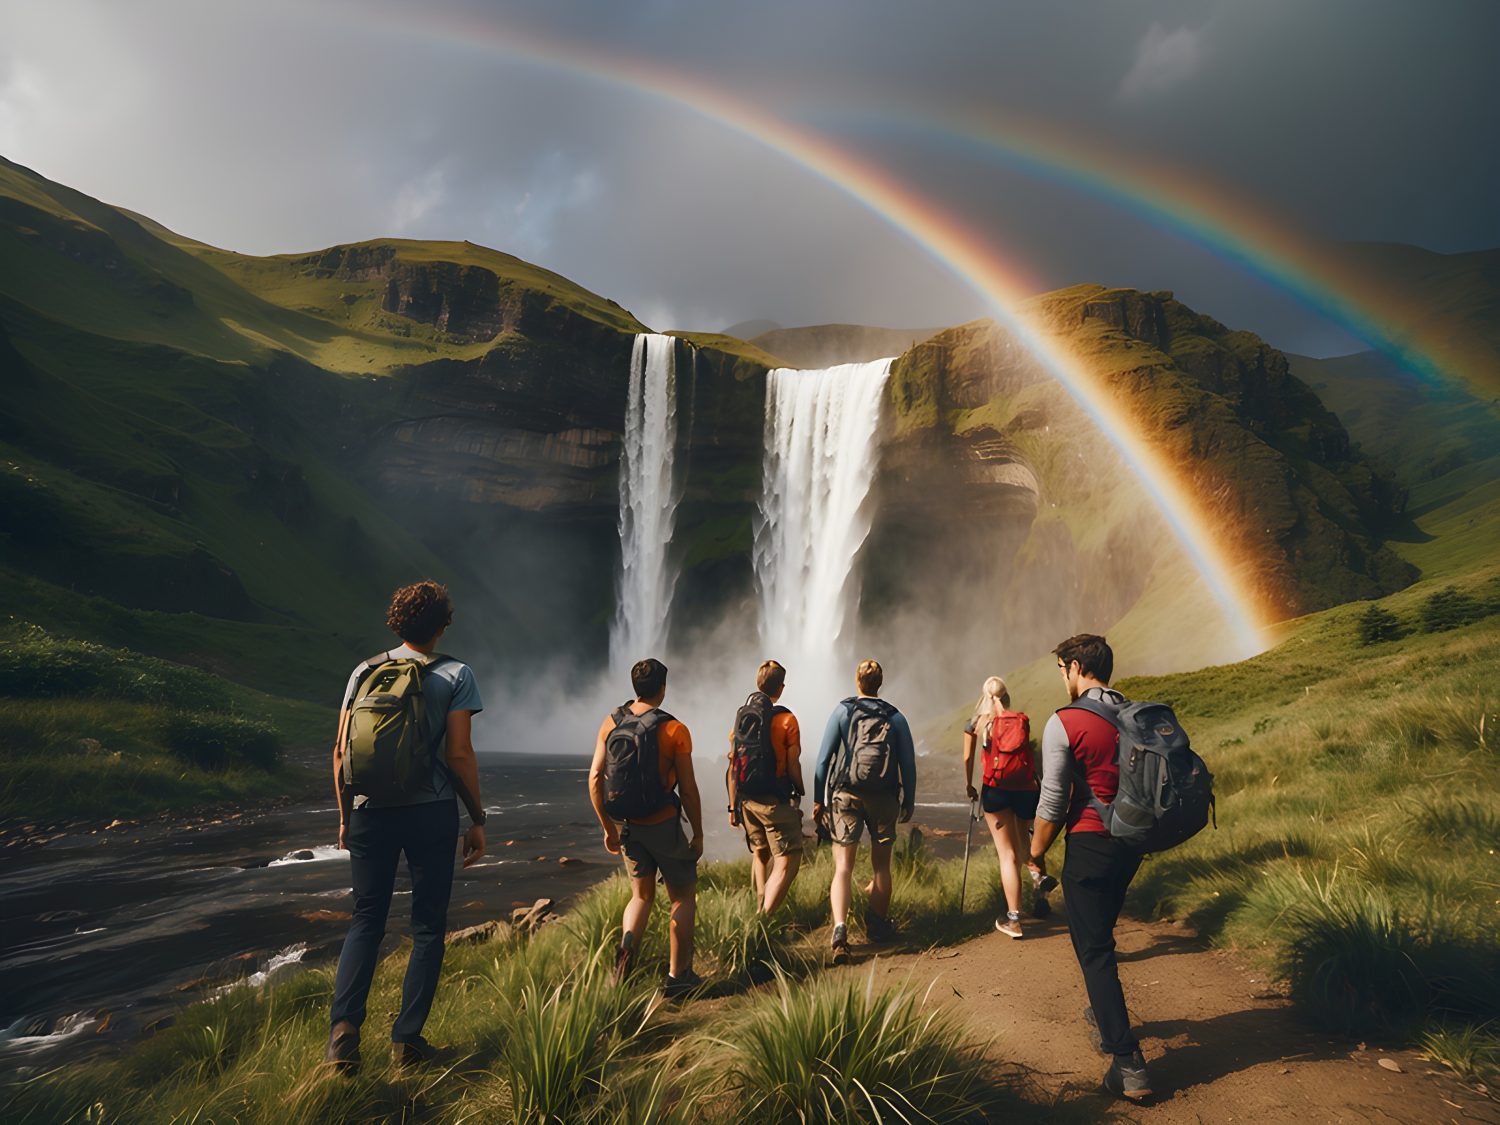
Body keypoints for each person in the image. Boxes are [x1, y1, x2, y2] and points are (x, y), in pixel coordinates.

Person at [326, 580, 487, 1074]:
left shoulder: (364, 670)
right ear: (443, 625)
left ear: (397, 622)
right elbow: (458, 753)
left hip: (370, 811)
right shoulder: (457, 674)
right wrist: (477, 818)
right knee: (427, 927)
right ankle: (407, 1040)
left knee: (366, 918)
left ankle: (343, 1031)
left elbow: (340, 750)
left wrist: (345, 816)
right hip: (430, 812)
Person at [1028, 634, 1152, 1102]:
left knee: (1094, 948)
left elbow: (1054, 800)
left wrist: (1035, 852)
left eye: (1062, 668)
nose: (1061, 677)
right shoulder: (1134, 714)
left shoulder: (1066, 721)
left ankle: (1127, 1062)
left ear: (1077, 667)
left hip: (1090, 842)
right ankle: (1105, 1017)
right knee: (1097, 933)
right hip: (1132, 845)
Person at [588, 657, 704, 997]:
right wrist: (697, 833)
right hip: (664, 825)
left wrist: (608, 827)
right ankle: (678, 976)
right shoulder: (674, 729)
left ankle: (624, 959)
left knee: (640, 896)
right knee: (682, 896)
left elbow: (595, 778)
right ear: (663, 689)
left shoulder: (611, 722)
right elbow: (688, 788)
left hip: (628, 826)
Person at [812, 659, 916, 963]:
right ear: (880, 683)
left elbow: (823, 760)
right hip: (884, 798)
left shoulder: (843, 711)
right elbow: (907, 764)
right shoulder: (895, 718)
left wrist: (819, 800)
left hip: (846, 794)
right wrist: (908, 800)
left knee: (843, 866)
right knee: (881, 867)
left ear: (857, 681)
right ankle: (878, 927)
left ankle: (840, 932)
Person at [962, 675, 1054, 939]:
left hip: (997, 790)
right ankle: (1039, 886)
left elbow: (968, 757)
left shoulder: (976, 723)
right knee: (1026, 843)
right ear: (1006, 696)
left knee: (1007, 854)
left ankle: (1014, 918)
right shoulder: (1020, 720)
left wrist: (969, 785)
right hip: (1025, 789)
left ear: (984, 696)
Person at [726, 660, 806, 914]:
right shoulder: (786, 720)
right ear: (781, 688)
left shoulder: (743, 718)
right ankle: (764, 917)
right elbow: (793, 763)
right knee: (789, 857)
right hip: (773, 800)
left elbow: (733, 766)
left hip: (747, 799)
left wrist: (732, 806)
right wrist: (800, 790)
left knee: (760, 853)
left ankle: (760, 899)